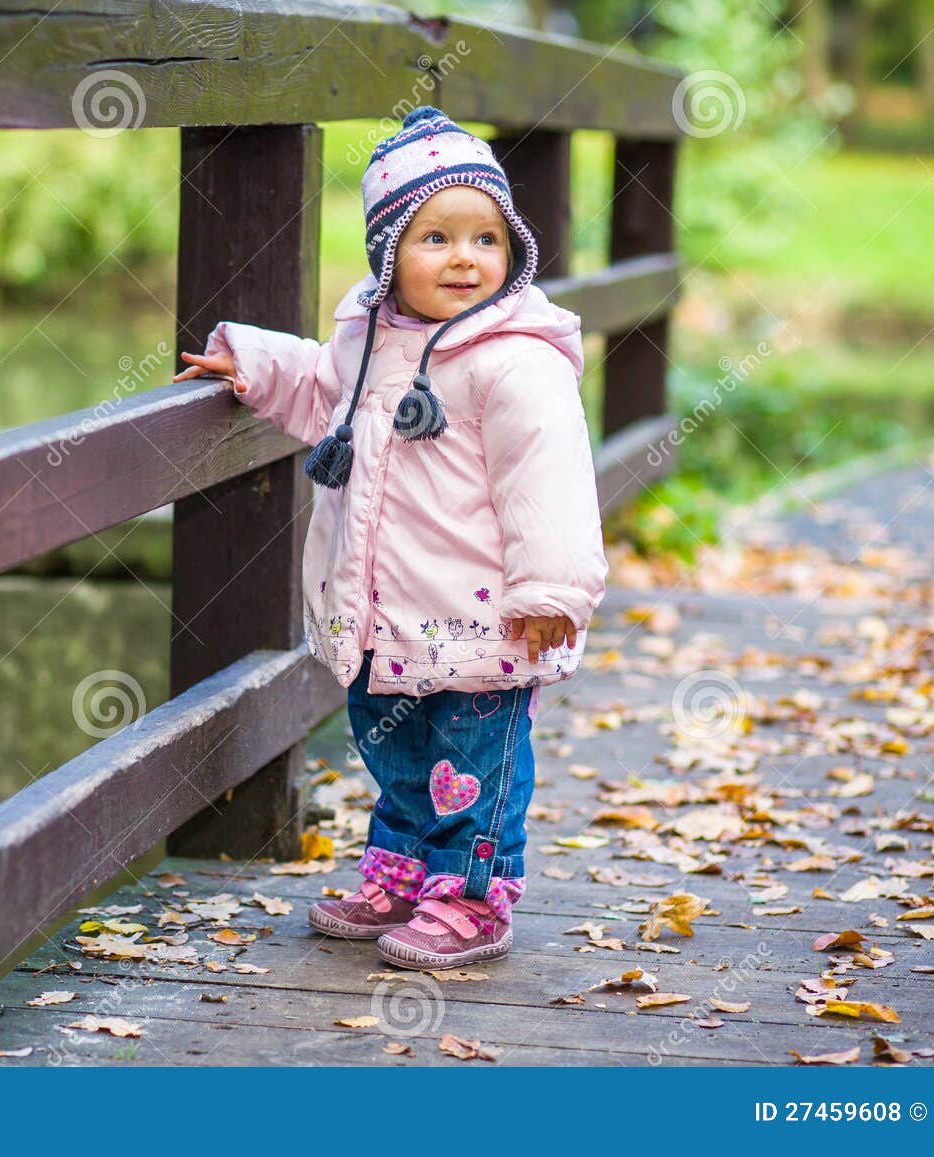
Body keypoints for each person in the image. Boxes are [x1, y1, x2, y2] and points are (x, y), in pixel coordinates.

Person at [173, 106, 608, 969]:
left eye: (485, 238)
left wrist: (551, 591)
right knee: (398, 751)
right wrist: (253, 364)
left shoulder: (516, 359)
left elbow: (549, 480)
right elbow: (319, 391)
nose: (464, 258)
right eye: (435, 238)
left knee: (472, 761)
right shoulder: (369, 342)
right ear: (386, 256)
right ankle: (406, 872)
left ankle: (472, 894)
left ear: (513, 249)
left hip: (485, 618)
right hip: (388, 616)